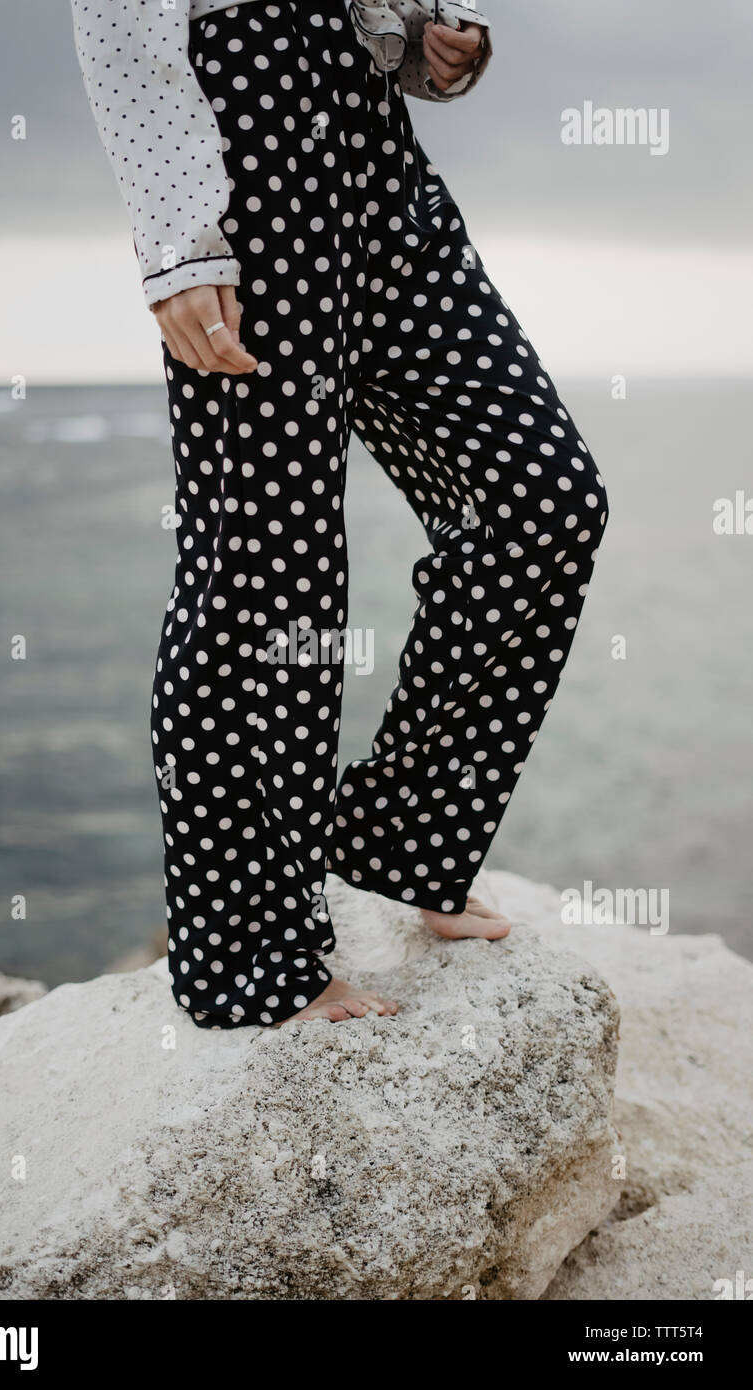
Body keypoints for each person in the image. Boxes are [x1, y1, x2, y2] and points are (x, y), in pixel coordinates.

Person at [70, 1, 609, 1028]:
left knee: (540, 496)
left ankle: (405, 833)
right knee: (269, 568)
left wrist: (427, 36)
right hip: (249, 140)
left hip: (373, 144)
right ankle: (251, 957)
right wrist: (182, 245)